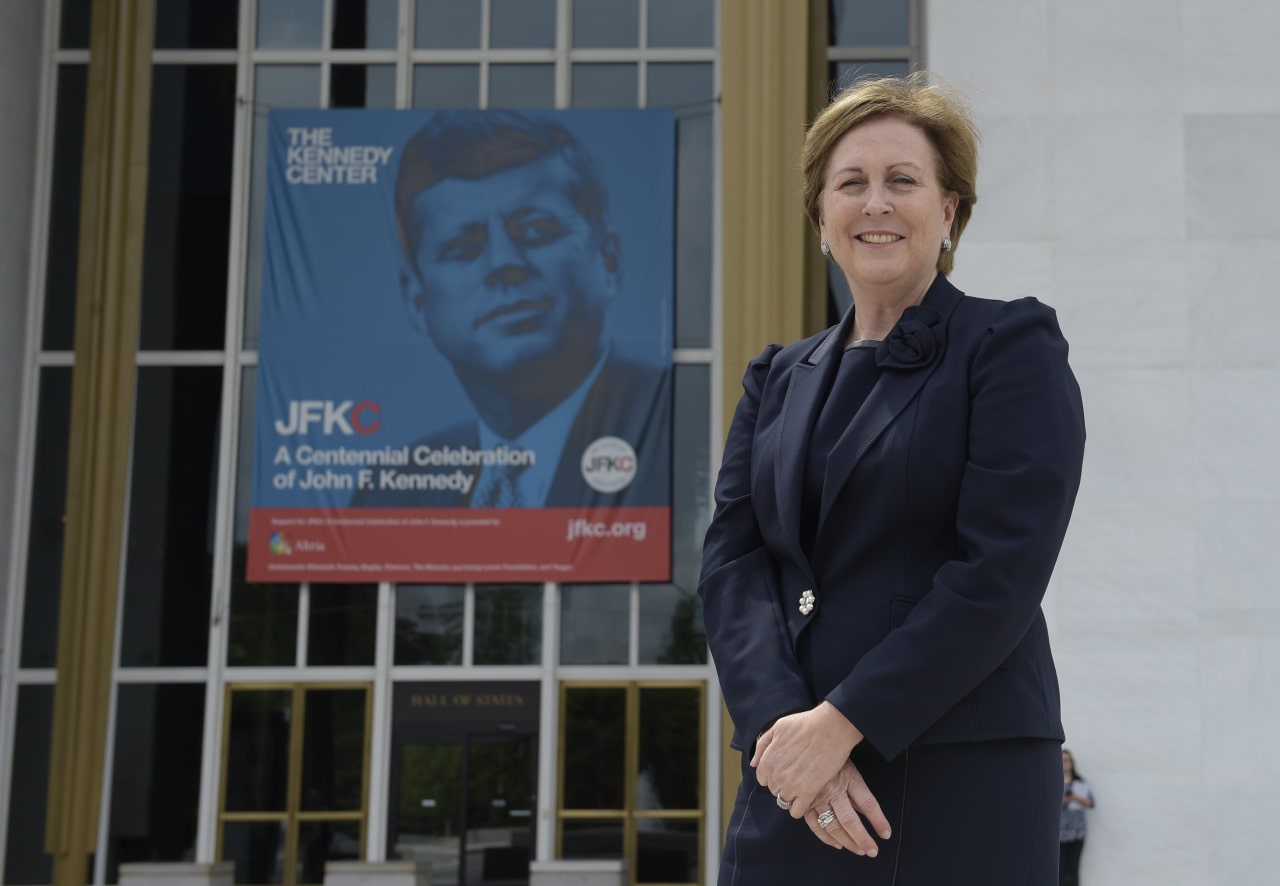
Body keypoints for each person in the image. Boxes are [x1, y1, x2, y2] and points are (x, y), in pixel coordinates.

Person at [698, 72, 1086, 885]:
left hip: (960, 768)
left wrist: (845, 722)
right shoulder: (774, 377)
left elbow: (1000, 570)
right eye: (851, 184)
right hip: (795, 776)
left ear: (948, 212)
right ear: (820, 219)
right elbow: (733, 568)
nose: (875, 203)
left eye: (903, 181)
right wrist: (787, 730)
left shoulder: (1009, 344)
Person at [353, 110, 670, 509]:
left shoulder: (684, 429)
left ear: (608, 260)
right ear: (418, 302)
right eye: (463, 247)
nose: (504, 263)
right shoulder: (391, 492)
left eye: (537, 231)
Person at [1060, 748, 1094, 886]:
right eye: (1062, 761)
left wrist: (1076, 798)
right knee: (1060, 870)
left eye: (1067, 760)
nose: (1065, 763)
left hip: (1077, 832)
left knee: (1073, 868)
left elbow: (1091, 803)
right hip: (1059, 834)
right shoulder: (1055, 782)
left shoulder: (1079, 782)